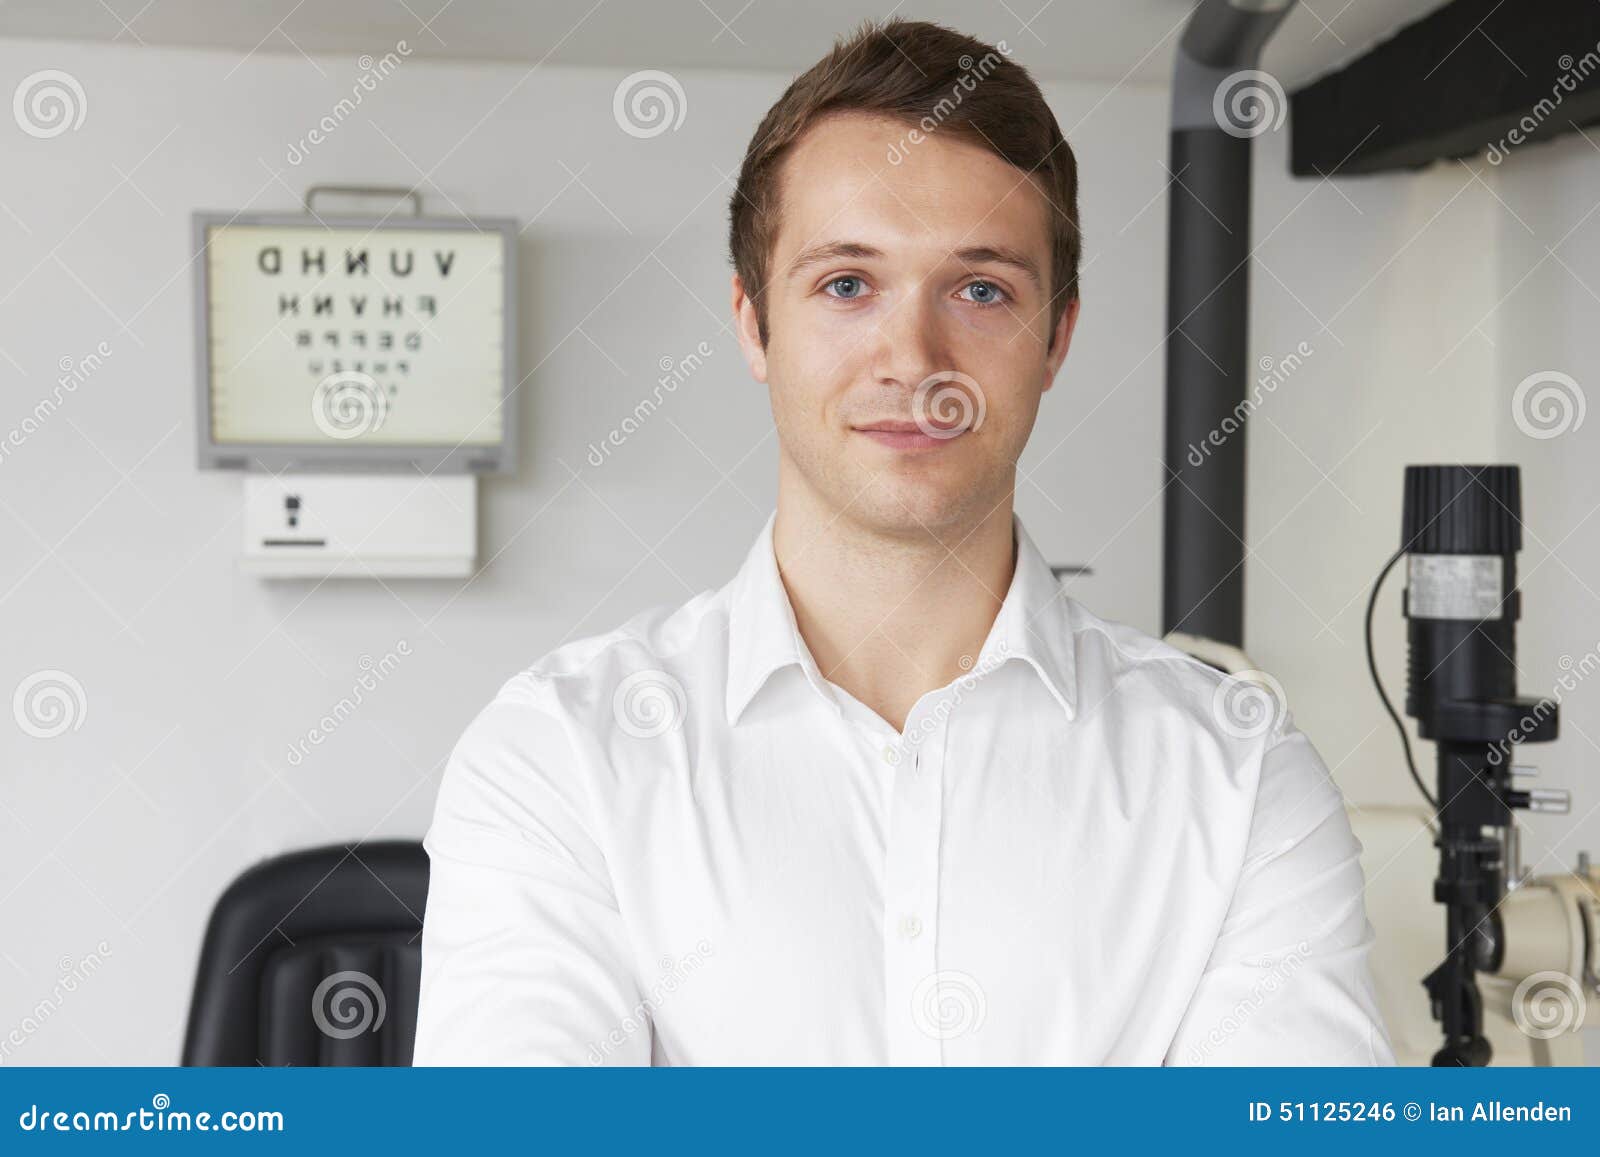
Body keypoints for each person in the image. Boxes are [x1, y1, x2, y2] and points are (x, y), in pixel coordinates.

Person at [413, 17, 1396, 1066]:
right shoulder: (562, 755)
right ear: (754, 323)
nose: (913, 357)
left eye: (980, 290)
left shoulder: (1239, 775)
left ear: (1056, 335)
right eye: (847, 283)